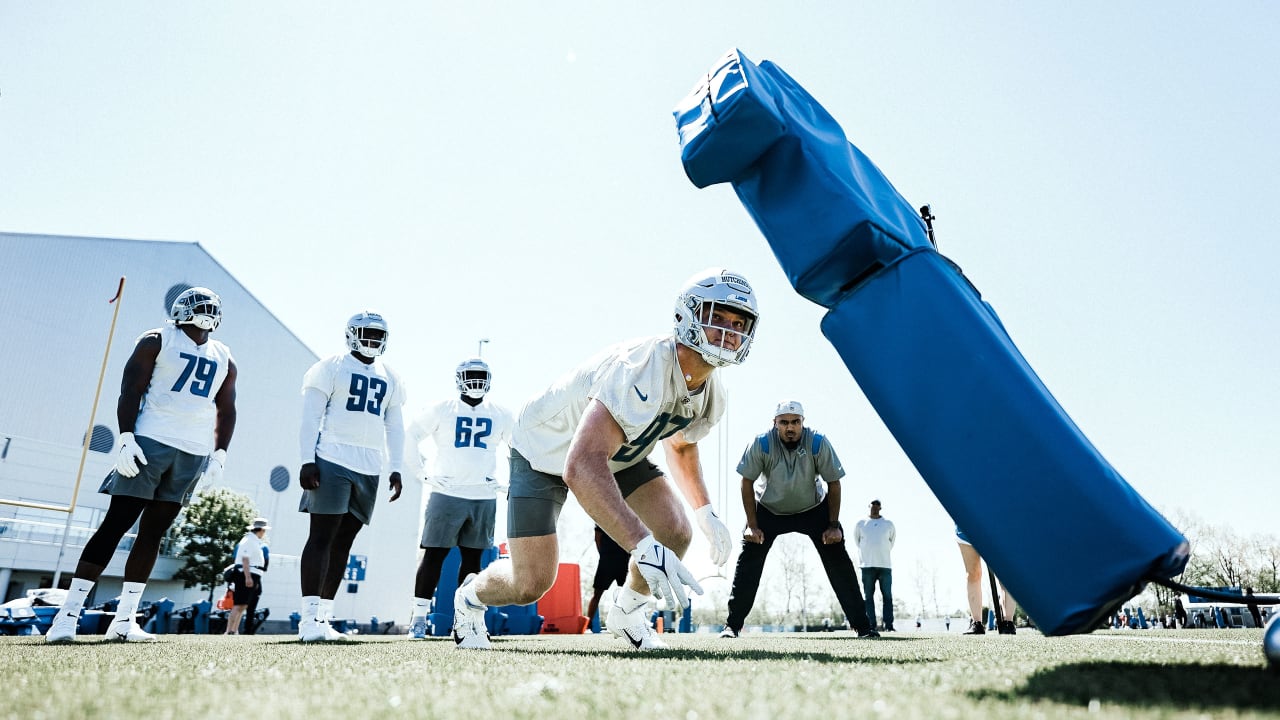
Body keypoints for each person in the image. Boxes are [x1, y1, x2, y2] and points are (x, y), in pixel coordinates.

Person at [451, 268, 755, 651]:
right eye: (718, 318)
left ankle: (628, 612)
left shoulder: (711, 391)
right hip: (544, 452)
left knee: (676, 531)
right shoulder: (638, 369)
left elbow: (680, 444)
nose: (729, 331)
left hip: (616, 453)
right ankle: (469, 598)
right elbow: (580, 465)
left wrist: (705, 512)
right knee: (530, 583)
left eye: (738, 323)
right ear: (688, 315)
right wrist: (642, 545)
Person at [47, 287, 237, 643]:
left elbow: (227, 409)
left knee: (154, 533)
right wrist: (125, 436)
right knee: (116, 524)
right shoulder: (157, 339)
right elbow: (130, 390)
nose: (206, 311)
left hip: (192, 450)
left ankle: (124, 620)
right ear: (181, 311)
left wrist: (220, 454)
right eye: (200, 305)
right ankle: (66, 618)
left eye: (212, 307)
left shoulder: (225, 356)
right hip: (151, 440)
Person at [720, 401, 878, 639]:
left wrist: (833, 525)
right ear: (775, 424)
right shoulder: (761, 443)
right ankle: (732, 626)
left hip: (813, 508)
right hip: (769, 510)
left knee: (839, 561)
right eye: (784, 422)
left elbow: (834, 482)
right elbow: (746, 482)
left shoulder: (817, 443)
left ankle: (863, 627)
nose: (790, 428)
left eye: (796, 422)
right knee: (749, 560)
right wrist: (752, 525)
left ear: (803, 423)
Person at [297, 311, 406, 642]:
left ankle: (324, 617)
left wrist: (396, 466)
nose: (372, 339)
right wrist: (306, 460)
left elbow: (395, 425)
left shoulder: (391, 375)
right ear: (351, 334)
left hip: (370, 464)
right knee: (322, 536)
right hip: (332, 456)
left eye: (377, 334)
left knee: (345, 542)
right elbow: (310, 415)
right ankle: (307, 620)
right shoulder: (330, 366)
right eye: (365, 332)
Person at [403, 357, 514, 639]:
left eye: (481, 375)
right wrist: (421, 473)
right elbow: (412, 434)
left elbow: (518, 448)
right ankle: (418, 619)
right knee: (434, 556)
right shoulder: (443, 409)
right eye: (470, 375)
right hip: (447, 492)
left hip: (483, 495)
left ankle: (466, 619)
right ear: (459, 378)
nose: (475, 380)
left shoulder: (500, 413)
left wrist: (511, 482)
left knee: (473, 561)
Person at [957, 526, 1016, 635]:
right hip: (965, 526)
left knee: (1004, 574)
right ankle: (976, 623)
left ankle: (1008, 622)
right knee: (973, 573)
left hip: (997, 522)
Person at [854, 498, 896, 631]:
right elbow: (857, 541)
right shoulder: (861, 524)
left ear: (880, 508)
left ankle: (888, 625)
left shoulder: (888, 524)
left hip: (885, 565)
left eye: (877, 506)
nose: (875, 508)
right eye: (873, 506)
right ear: (869, 507)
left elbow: (892, 541)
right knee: (868, 596)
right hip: (867, 566)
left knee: (887, 596)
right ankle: (871, 625)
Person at [224, 518, 270, 635]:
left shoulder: (254, 541)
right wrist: (247, 577)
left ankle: (234, 630)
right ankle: (229, 630)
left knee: (243, 604)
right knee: (239, 604)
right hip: (245, 574)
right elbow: (245, 559)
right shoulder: (249, 540)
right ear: (260, 530)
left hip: (253, 574)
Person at [586, 524, 631, 631]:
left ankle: (627, 625)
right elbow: (597, 537)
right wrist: (603, 554)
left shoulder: (628, 515)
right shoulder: (604, 512)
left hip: (624, 560)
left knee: (626, 595)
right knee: (597, 594)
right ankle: (588, 624)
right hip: (607, 560)